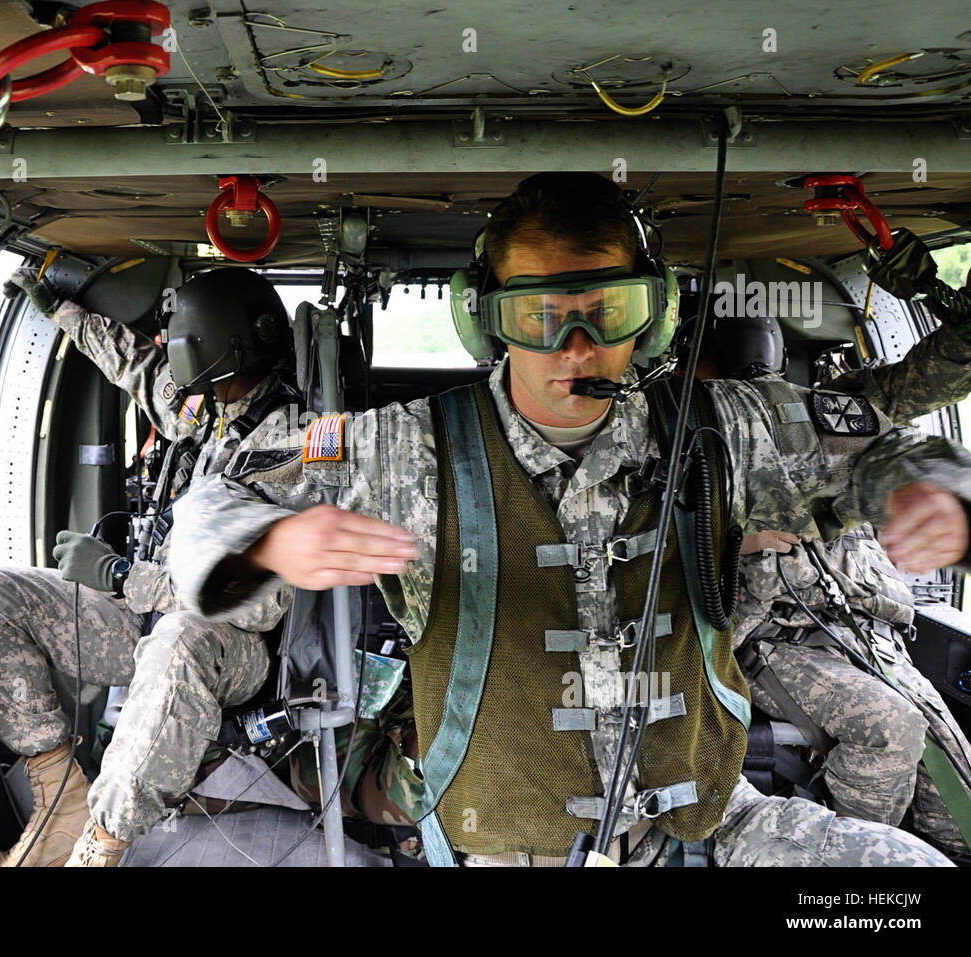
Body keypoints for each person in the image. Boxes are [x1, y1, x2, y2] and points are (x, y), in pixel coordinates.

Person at [167, 172, 971, 866]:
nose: (576, 349)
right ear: (488, 321)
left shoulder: (726, 427)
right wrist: (272, 538)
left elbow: (880, 450)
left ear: (652, 315)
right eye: (538, 317)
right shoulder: (403, 446)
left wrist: (930, 494)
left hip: (705, 831)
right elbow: (213, 501)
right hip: (507, 843)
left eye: (607, 310)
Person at [0, 266, 300, 866]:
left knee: (181, 638)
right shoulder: (212, 412)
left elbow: (259, 600)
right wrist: (64, 314)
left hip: (235, 648)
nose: (172, 356)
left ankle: (102, 845)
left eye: (181, 343)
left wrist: (120, 577)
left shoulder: (287, 444)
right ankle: (60, 799)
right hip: (146, 609)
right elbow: (137, 368)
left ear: (211, 351)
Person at [707, 246, 971, 860]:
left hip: (866, 633)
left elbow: (922, 391)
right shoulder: (675, 440)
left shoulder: (824, 419)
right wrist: (733, 542)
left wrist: (932, 294)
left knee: (959, 812)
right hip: (771, 637)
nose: (759, 409)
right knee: (889, 730)